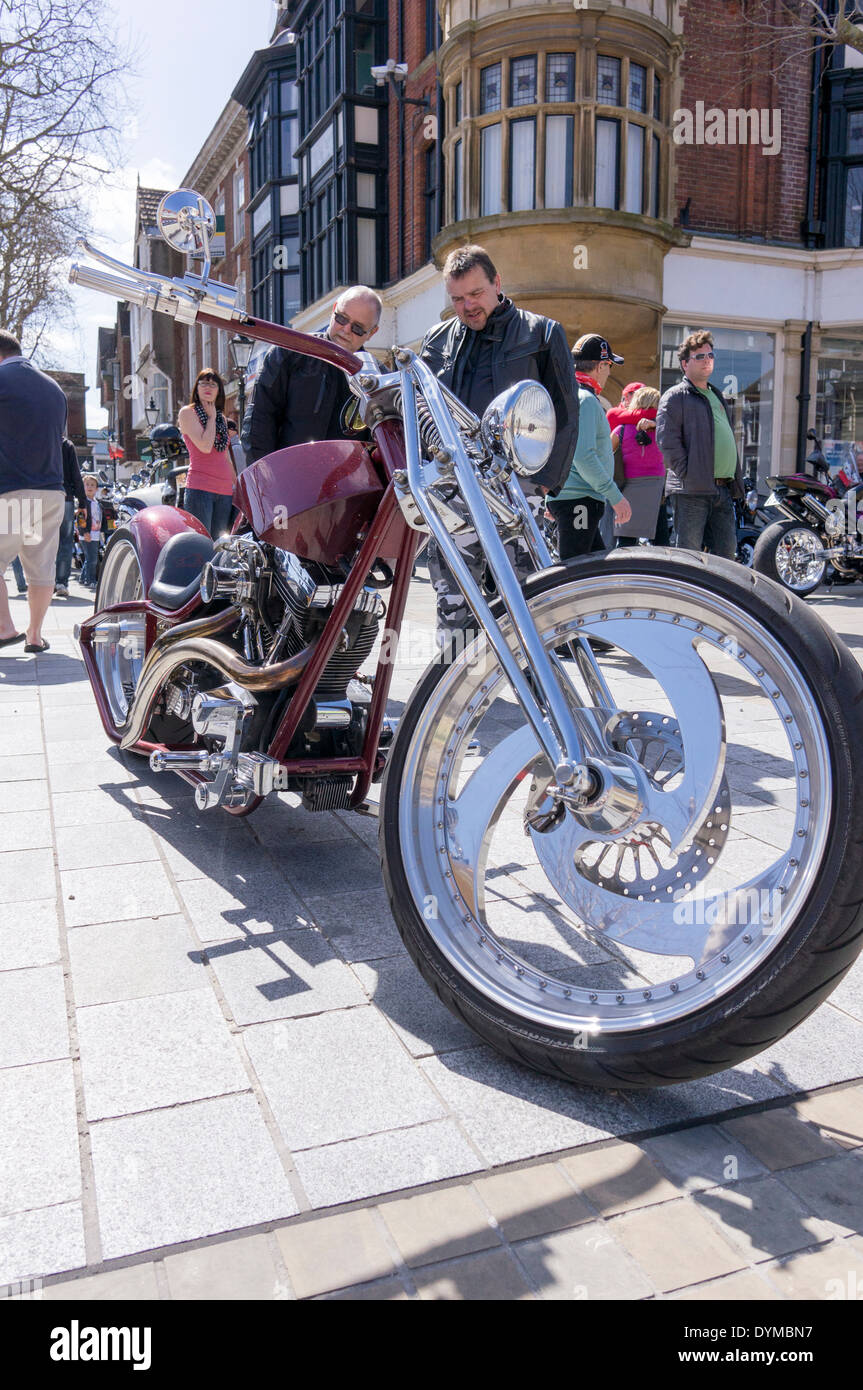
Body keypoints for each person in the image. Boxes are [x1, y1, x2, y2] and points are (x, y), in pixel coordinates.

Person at [419, 244, 580, 641]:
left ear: (497, 283)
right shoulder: (436, 341)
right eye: (458, 298)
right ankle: (453, 685)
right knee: (452, 592)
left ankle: (536, 680)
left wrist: (543, 483)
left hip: (517, 485)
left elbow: (565, 411)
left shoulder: (541, 332)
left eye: (476, 294)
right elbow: (421, 404)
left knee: (525, 590)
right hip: (453, 483)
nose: (468, 305)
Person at [241, 287, 382, 465]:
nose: (346, 329)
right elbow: (258, 422)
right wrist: (266, 479)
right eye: (341, 318)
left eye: (357, 328)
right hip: (288, 481)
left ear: (372, 332)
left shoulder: (378, 378)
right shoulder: (288, 354)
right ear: (334, 309)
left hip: (353, 488)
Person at [0, 330, 67, 654]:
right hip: (52, 490)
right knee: (42, 568)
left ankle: (4, 627)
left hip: (13, 487)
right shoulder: (54, 388)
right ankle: (35, 636)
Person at [656, 330, 743, 559]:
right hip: (691, 491)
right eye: (700, 356)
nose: (707, 360)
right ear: (685, 364)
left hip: (722, 489)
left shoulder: (716, 394)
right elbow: (666, 442)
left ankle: (717, 596)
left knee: (726, 554)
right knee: (688, 555)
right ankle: (680, 595)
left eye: (710, 356)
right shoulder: (675, 396)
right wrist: (688, 474)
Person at [547, 334, 632, 560]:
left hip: (573, 499)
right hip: (579, 501)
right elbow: (583, 456)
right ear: (601, 366)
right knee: (574, 576)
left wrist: (553, 492)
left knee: (595, 574)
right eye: (609, 365)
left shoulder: (568, 396)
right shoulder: (585, 400)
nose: (610, 373)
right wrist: (615, 496)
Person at [178, 369, 236, 538]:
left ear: (219, 390)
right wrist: (210, 418)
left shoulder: (222, 418)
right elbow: (204, 446)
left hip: (224, 489)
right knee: (202, 542)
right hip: (200, 488)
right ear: (197, 388)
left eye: (213, 384)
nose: (208, 387)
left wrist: (238, 485)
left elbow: (224, 456)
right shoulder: (187, 413)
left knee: (220, 544)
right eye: (203, 383)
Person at [611, 386, 670, 547]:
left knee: (626, 537)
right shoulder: (663, 430)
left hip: (629, 485)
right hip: (656, 486)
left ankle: (623, 570)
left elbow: (605, 454)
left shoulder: (621, 430)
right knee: (660, 536)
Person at [54, 437, 87, 597]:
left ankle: (45, 581)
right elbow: (75, 474)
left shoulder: (38, 440)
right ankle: (61, 582)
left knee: (42, 541)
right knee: (65, 541)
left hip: (41, 496)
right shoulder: (66, 444)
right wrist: (82, 502)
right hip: (64, 497)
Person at [76, 474, 109, 589]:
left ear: (96, 489)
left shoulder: (98, 503)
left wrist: (104, 531)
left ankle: (83, 578)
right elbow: (80, 518)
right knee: (92, 559)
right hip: (87, 534)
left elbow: (102, 518)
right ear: (82, 487)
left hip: (95, 534)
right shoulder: (83, 502)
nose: (90, 487)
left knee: (90, 558)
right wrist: (84, 532)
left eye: (92, 485)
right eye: (87, 484)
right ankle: (90, 580)